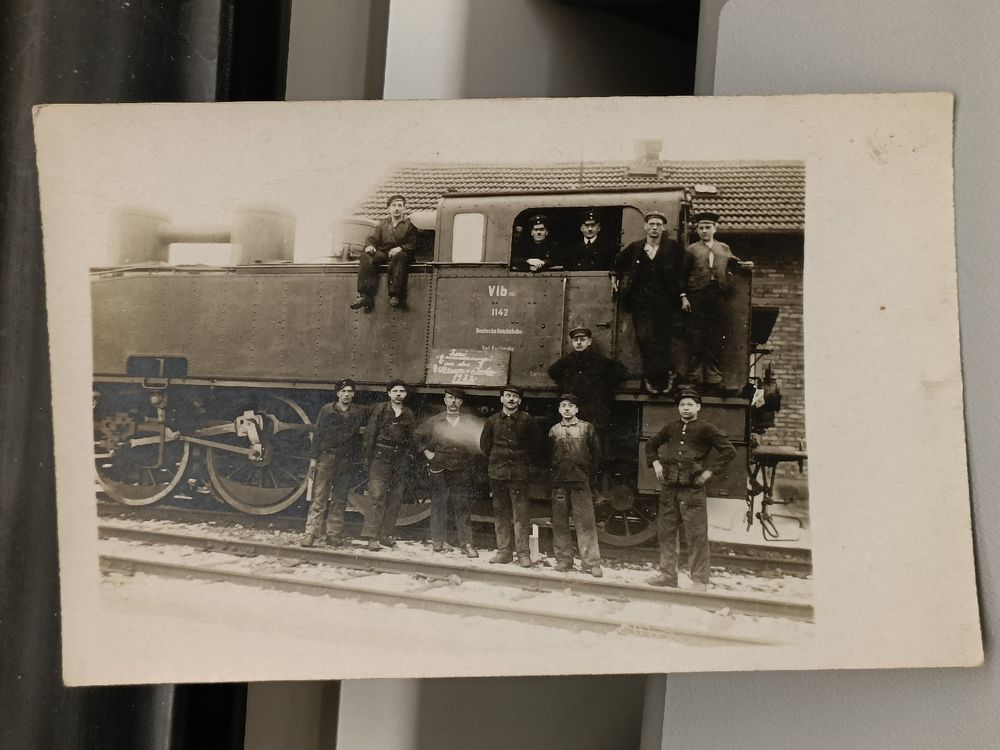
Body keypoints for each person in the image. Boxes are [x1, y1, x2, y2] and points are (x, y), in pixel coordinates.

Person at [645, 388, 736, 590]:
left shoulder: (706, 428)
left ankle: (700, 580)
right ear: (678, 408)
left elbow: (729, 450)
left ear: (698, 407)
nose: (686, 408)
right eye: (682, 405)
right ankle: (668, 575)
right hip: (669, 488)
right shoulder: (671, 427)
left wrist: (710, 471)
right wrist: (656, 464)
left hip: (692, 490)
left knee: (696, 534)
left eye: (690, 404)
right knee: (666, 532)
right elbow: (650, 445)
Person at [612, 211, 685, 395]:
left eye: (658, 225)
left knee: (662, 340)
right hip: (640, 304)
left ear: (663, 228)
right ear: (645, 227)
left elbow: (681, 272)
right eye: (651, 224)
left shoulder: (673, 248)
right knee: (644, 339)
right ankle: (650, 378)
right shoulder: (636, 247)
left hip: (664, 303)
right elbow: (618, 262)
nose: (654, 228)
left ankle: (664, 379)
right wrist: (615, 276)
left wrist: (682, 295)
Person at [680, 211, 753, 391]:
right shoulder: (691, 250)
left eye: (708, 227)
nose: (704, 231)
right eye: (701, 228)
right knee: (696, 337)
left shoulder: (724, 248)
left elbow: (734, 262)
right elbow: (681, 275)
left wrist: (746, 264)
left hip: (717, 297)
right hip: (696, 296)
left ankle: (713, 378)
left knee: (714, 337)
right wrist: (683, 296)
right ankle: (695, 378)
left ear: (715, 228)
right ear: (697, 230)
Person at [479, 384, 542, 567]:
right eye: (507, 396)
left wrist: (522, 464)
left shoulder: (527, 421)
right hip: (498, 474)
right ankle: (504, 552)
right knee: (500, 514)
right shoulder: (492, 421)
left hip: (519, 475)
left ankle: (523, 554)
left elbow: (536, 447)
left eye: (515, 396)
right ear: (502, 399)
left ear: (519, 401)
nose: (511, 399)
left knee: (521, 515)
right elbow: (485, 446)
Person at [301, 379, 369, 547]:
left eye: (349, 391)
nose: (346, 394)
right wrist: (313, 459)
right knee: (320, 496)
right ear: (338, 393)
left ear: (353, 394)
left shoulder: (357, 412)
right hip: (326, 459)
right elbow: (318, 435)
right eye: (343, 391)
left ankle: (333, 534)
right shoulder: (327, 410)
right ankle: (311, 533)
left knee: (340, 499)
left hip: (345, 461)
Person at [414, 386, 480, 558]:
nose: (453, 402)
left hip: (461, 467)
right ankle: (437, 541)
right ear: (444, 400)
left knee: (462, 505)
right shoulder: (435, 421)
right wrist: (427, 452)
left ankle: (466, 543)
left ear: (461, 402)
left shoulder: (467, 420)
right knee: (438, 503)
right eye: (449, 398)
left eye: (456, 399)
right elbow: (416, 436)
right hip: (439, 467)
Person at [547, 394, 604, 577]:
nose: (567, 409)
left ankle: (591, 563)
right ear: (559, 409)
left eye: (571, 406)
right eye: (563, 405)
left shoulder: (586, 428)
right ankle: (564, 560)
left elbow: (596, 455)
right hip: (560, 482)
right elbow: (547, 456)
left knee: (586, 523)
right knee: (560, 522)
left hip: (580, 481)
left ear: (576, 410)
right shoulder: (554, 430)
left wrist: (587, 475)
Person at [360, 380, 415, 551]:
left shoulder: (408, 413)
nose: (399, 394)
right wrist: (367, 458)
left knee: (396, 497)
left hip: (399, 458)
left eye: (402, 391)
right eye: (395, 391)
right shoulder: (381, 409)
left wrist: (408, 457)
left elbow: (412, 437)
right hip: (380, 456)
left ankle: (386, 534)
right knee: (376, 495)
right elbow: (370, 434)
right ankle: (371, 536)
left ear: (405, 395)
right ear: (389, 394)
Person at [547, 326, 628, 437]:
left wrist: (603, 389)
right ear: (572, 343)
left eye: (582, 339)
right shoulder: (566, 361)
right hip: (575, 409)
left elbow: (620, 373)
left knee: (594, 439)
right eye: (576, 340)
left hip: (594, 410)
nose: (579, 343)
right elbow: (553, 372)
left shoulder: (599, 360)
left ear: (589, 342)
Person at [351, 194, 418, 311]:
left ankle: (395, 295)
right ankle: (365, 296)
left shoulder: (409, 226)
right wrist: (370, 246)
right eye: (394, 205)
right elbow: (372, 238)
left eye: (399, 205)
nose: (397, 208)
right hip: (384, 253)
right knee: (366, 257)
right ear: (389, 208)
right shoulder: (381, 225)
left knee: (400, 257)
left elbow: (414, 243)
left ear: (404, 209)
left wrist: (401, 248)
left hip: (402, 255)